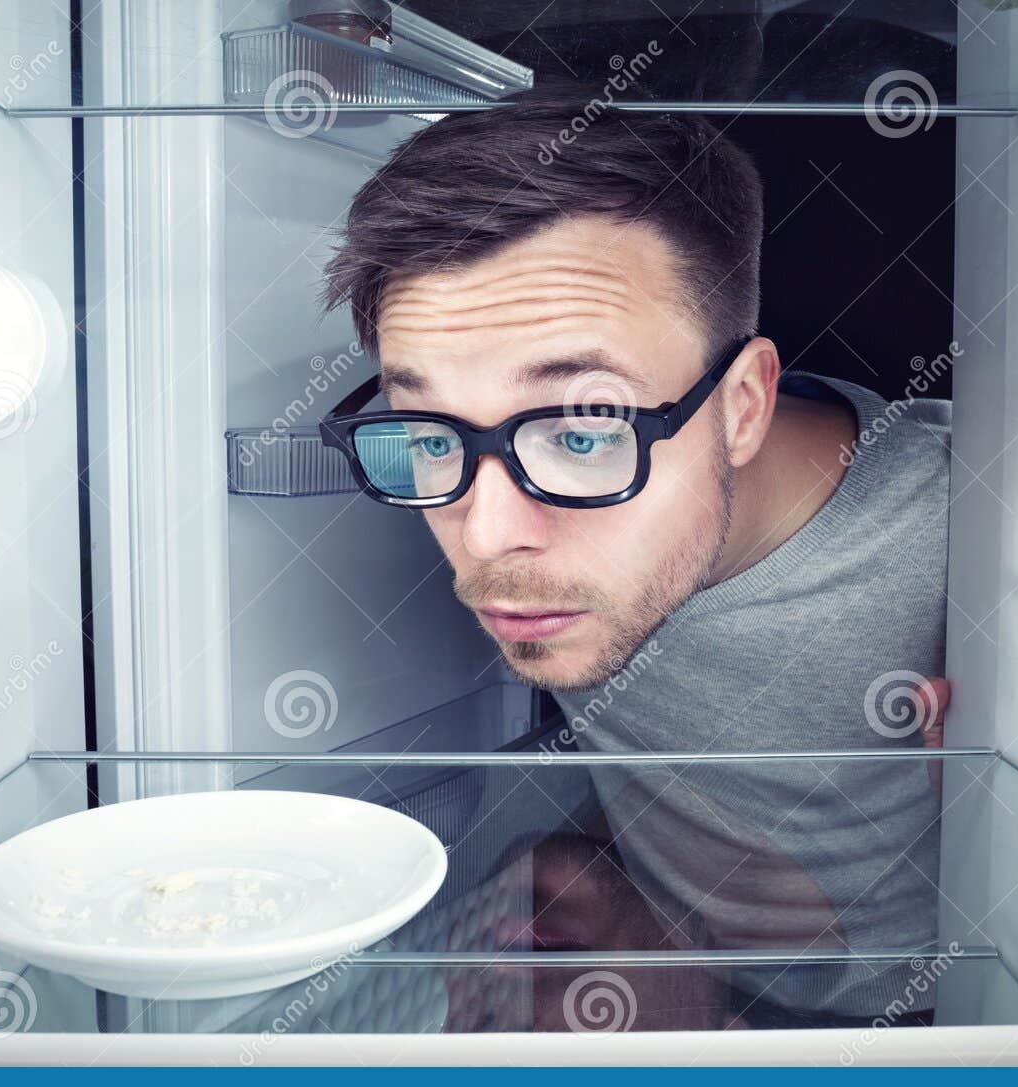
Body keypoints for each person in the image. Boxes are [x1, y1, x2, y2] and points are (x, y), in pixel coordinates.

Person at [318, 90, 953, 1027]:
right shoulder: (549, 532)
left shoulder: (968, 534)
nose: (489, 537)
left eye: (583, 432)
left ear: (742, 405)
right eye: (429, 430)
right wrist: (576, 883)